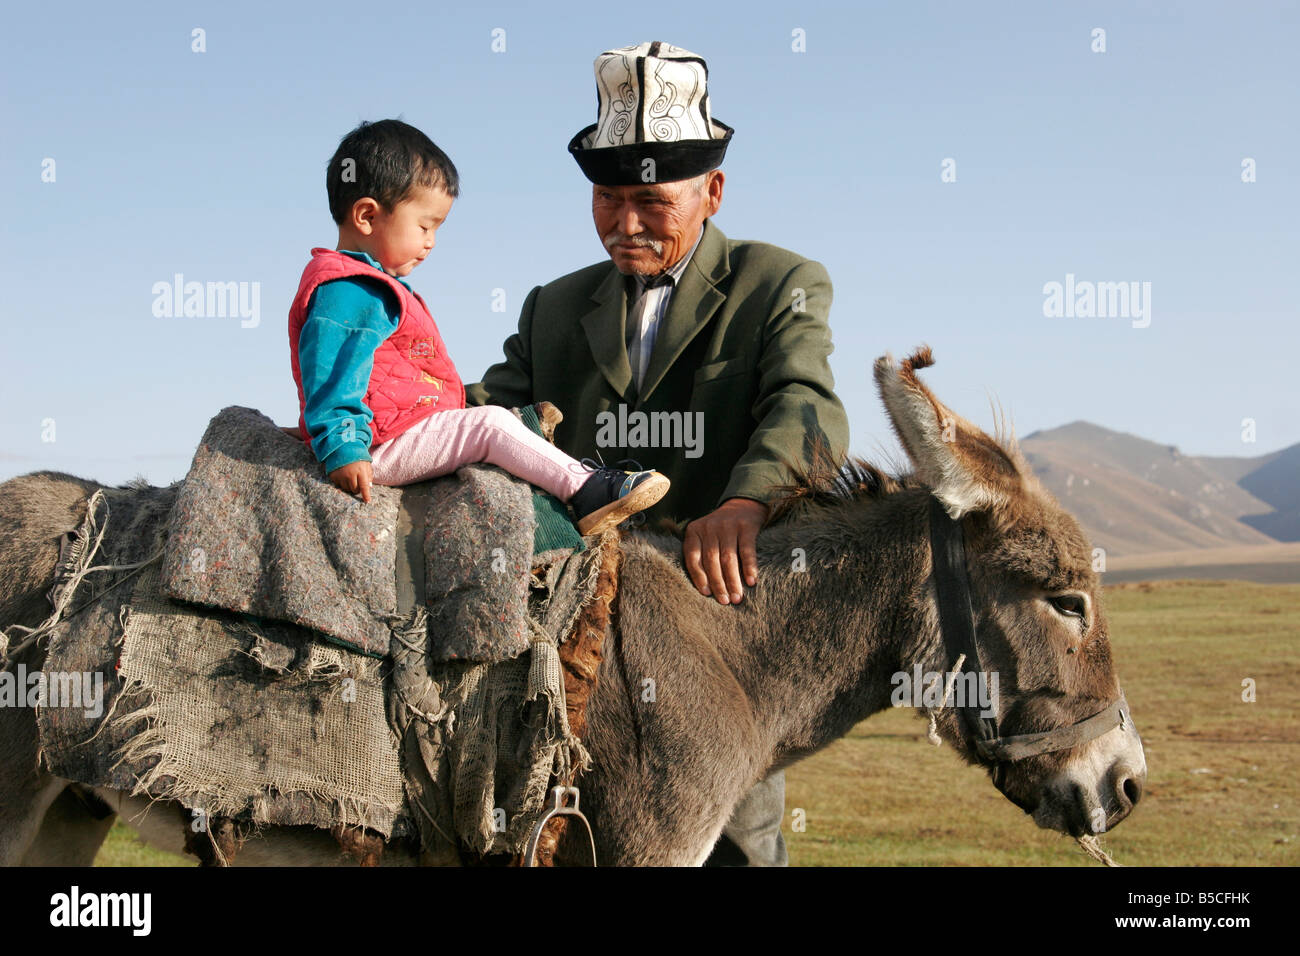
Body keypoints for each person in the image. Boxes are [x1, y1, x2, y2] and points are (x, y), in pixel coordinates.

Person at [465, 42, 851, 865]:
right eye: (607, 199)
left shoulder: (778, 283)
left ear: (712, 191)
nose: (625, 222)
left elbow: (805, 406)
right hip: (565, 646)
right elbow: (492, 413)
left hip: (713, 644)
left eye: (650, 199)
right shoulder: (552, 307)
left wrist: (745, 503)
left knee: (733, 844)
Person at [286, 119, 668, 536]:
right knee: (488, 426)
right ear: (366, 216)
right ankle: (586, 487)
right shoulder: (350, 291)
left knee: (494, 422)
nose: (431, 241)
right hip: (379, 445)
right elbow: (333, 373)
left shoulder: (368, 286)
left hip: (389, 432)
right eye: (424, 226)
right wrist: (343, 446)